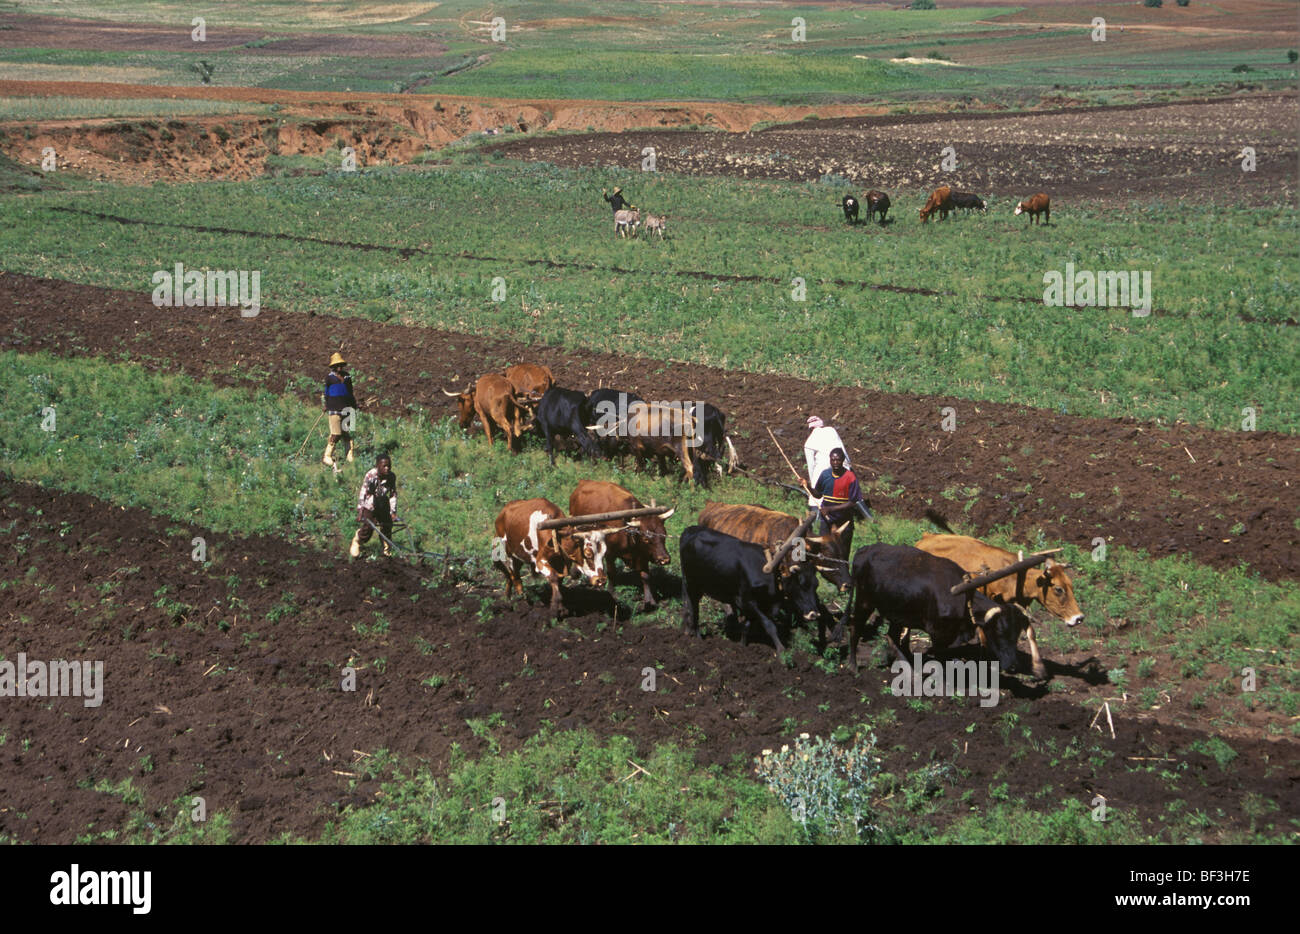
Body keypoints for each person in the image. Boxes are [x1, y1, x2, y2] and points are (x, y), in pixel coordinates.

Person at [801, 447, 867, 560]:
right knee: (825, 549)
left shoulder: (850, 477)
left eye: (838, 460)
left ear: (843, 461)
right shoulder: (825, 475)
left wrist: (830, 509)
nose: (835, 462)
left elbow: (852, 502)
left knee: (843, 552)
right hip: (826, 520)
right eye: (833, 460)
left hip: (844, 520)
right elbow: (818, 495)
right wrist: (808, 486)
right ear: (830, 460)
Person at [351, 453, 398, 558]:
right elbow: (363, 493)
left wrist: (393, 512)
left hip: (383, 502)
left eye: (389, 466)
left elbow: (393, 494)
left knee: (387, 526)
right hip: (370, 503)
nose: (387, 468)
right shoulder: (371, 475)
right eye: (384, 466)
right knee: (368, 528)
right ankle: (357, 541)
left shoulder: (391, 476)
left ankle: (386, 548)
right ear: (378, 466)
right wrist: (360, 510)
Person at [803, 415, 849, 509]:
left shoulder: (808, 443)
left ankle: (816, 513)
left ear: (810, 428)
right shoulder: (831, 430)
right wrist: (848, 465)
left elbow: (811, 467)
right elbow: (842, 449)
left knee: (816, 497)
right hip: (841, 463)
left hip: (823, 468)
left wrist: (813, 485)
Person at [322, 352, 357, 467]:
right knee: (336, 433)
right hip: (334, 408)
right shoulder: (330, 378)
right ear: (333, 366)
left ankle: (349, 455)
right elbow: (326, 393)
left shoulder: (347, 377)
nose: (339, 367)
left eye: (341, 365)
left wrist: (354, 405)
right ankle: (327, 456)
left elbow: (350, 392)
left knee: (346, 433)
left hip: (347, 408)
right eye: (337, 365)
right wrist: (326, 405)